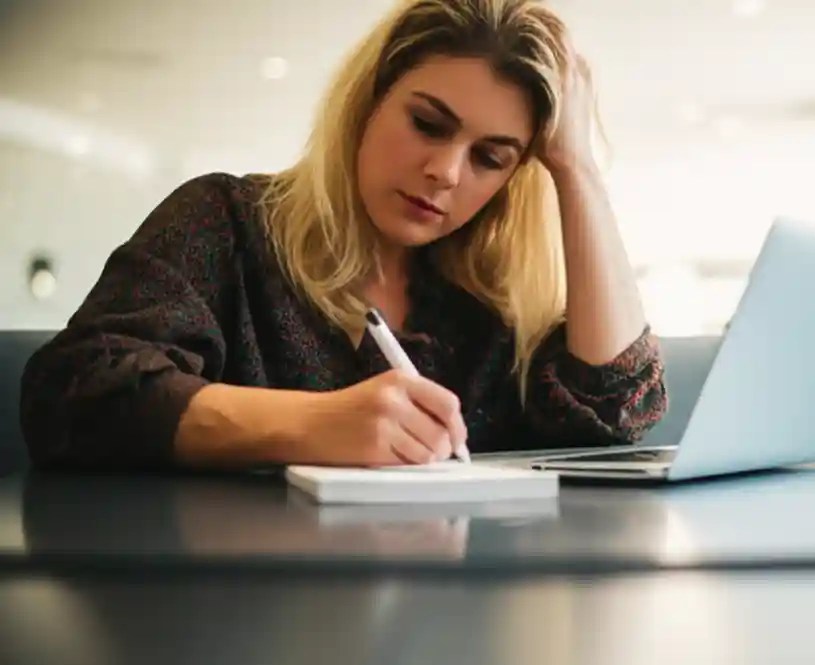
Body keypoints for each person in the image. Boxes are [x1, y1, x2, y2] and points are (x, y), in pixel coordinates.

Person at [20, 0, 667, 470]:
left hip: (456, 626)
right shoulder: (228, 222)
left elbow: (616, 414)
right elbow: (76, 392)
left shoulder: (491, 307)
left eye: (490, 158)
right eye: (427, 123)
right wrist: (310, 423)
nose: (444, 171)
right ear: (367, 102)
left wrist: (576, 168)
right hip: (235, 611)